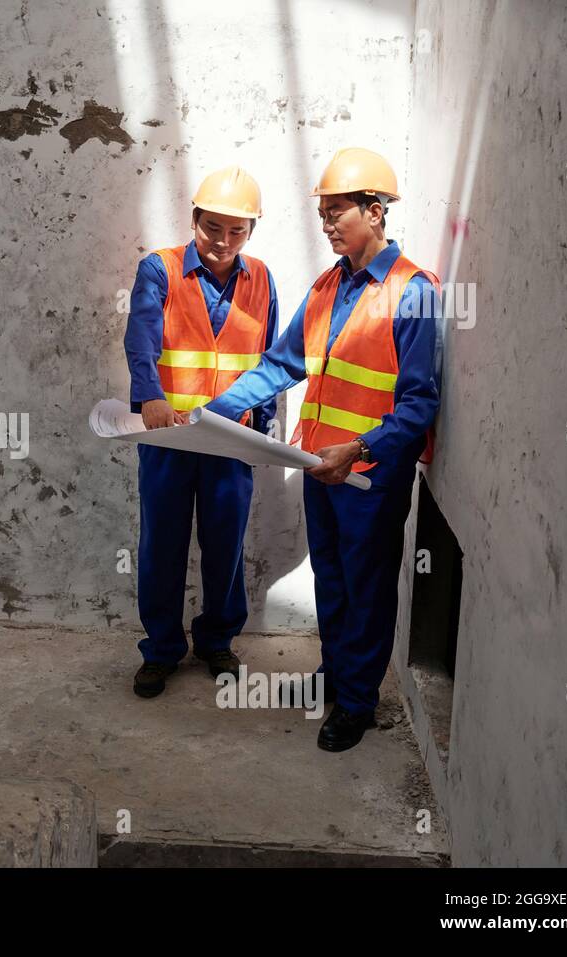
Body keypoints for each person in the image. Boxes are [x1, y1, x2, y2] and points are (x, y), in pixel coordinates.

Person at [205, 147, 441, 751]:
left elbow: (419, 404)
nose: (329, 223)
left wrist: (359, 448)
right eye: (324, 214)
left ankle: (358, 704)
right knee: (332, 580)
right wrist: (213, 413)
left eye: (339, 212)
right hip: (318, 465)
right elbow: (282, 364)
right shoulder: (327, 286)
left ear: (376, 211)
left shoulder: (412, 292)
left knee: (366, 586)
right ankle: (334, 678)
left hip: (367, 475)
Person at [123, 166, 279, 699]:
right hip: (168, 438)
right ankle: (161, 649)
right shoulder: (160, 269)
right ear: (194, 220)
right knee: (162, 544)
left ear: (252, 231)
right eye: (213, 227)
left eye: (238, 231)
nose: (223, 242)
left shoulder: (261, 279)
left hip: (229, 442)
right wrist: (149, 396)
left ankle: (217, 640)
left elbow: (270, 360)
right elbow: (140, 336)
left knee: (225, 544)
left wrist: (264, 429)